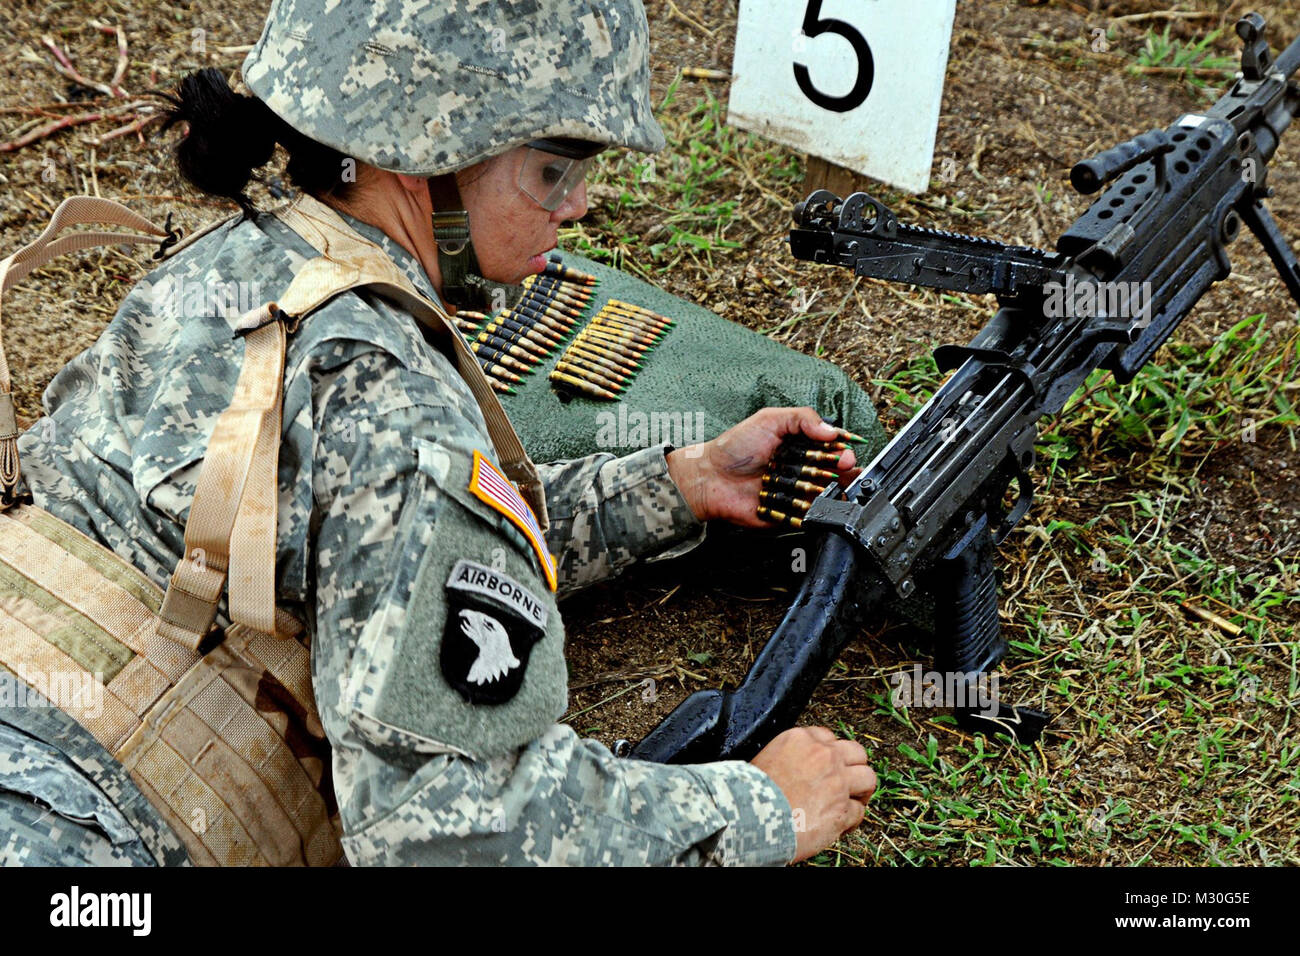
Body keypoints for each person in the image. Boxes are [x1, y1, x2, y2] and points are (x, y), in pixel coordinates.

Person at [2, 0, 875, 866]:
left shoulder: (233, 260)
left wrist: (674, 484)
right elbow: (456, 832)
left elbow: (375, 530)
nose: (579, 207)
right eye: (552, 172)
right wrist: (761, 807)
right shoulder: (397, 405)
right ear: (426, 159)